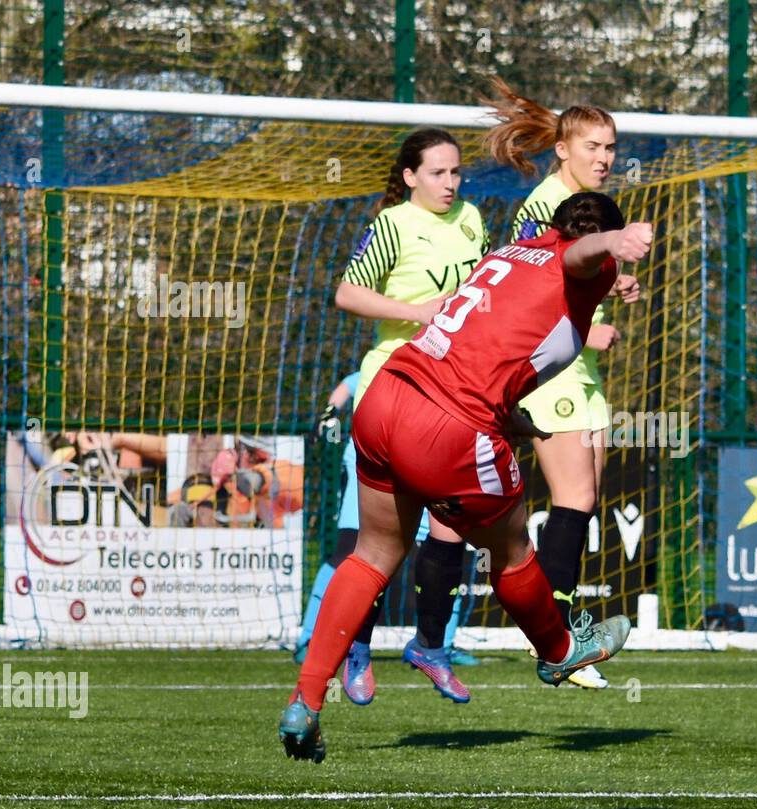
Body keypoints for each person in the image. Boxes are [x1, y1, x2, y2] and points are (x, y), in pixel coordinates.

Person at [278, 192, 653, 762]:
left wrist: (510, 416)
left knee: (373, 554)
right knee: (510, 550)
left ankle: (305, 702)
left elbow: (486, 344)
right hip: (449, 427)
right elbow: (578, 257)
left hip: (385, 398)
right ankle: (560, 651)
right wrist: (614, 246)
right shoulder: (586, 262)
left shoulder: (513, 252)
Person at [483, 78, 641, 690]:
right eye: (592, 146)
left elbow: (576, 274)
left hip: (578, 365)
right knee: (573, 498)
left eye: (610, 146)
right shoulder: (549, 204)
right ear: (563, 150)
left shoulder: (586, 209)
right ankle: (553, 641)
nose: (603, 157)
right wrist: (585, 328)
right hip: (552, 366)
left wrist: (614, 288)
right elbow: (521, 283)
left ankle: (557, 630)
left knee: (584, 497)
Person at [331, 127, 489, 703]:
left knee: (452, 527)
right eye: (438, 173)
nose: (450, 183)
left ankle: (429, 645)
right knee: (377, 539)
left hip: (453, 394)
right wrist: (416, 312)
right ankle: (356, 647)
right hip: (392, 392)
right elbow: (348, 294)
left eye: (456, 173)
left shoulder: (472, 218)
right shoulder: (393, 225)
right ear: (409, 177)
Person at [293, 374, 479, 707]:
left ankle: (436, 646)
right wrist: (330, 410)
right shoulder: (395, 350)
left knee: (449, 542)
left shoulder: (459, 342)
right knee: (359, 550)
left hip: (442, 434)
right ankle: (324, 641)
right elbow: (349, 382)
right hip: (381, 437)